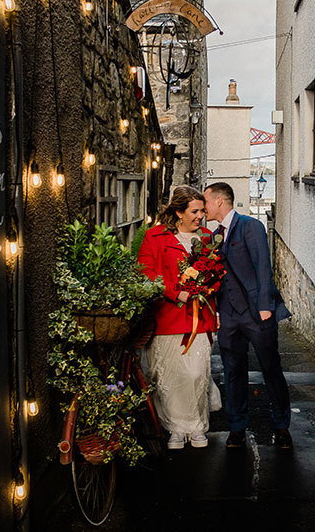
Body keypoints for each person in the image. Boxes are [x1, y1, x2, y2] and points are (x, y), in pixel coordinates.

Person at [203, 182, 293, 450]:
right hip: (229, 315)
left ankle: (281, 426)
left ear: (219, 201)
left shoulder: (250, 226)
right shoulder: (213, 236)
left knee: (271, 369)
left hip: (256, 312)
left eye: (206, 202)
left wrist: (265, 306)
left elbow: (263, 266)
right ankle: (236, 427)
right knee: (233, 372)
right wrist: (218, 312)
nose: (204, 208)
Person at [137, 185, 219, 450]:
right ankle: (174, 428)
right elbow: (145, 272)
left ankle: (196, 426)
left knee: (196, 374)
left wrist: (208, 288)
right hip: (167, 318)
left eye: (202, 211)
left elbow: (216, 272)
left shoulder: (207, 237)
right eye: (194, 212)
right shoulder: (155, 236)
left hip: (199, 319)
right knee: (169, 378)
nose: (201, 216)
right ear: (179, 212)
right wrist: (176, 292)